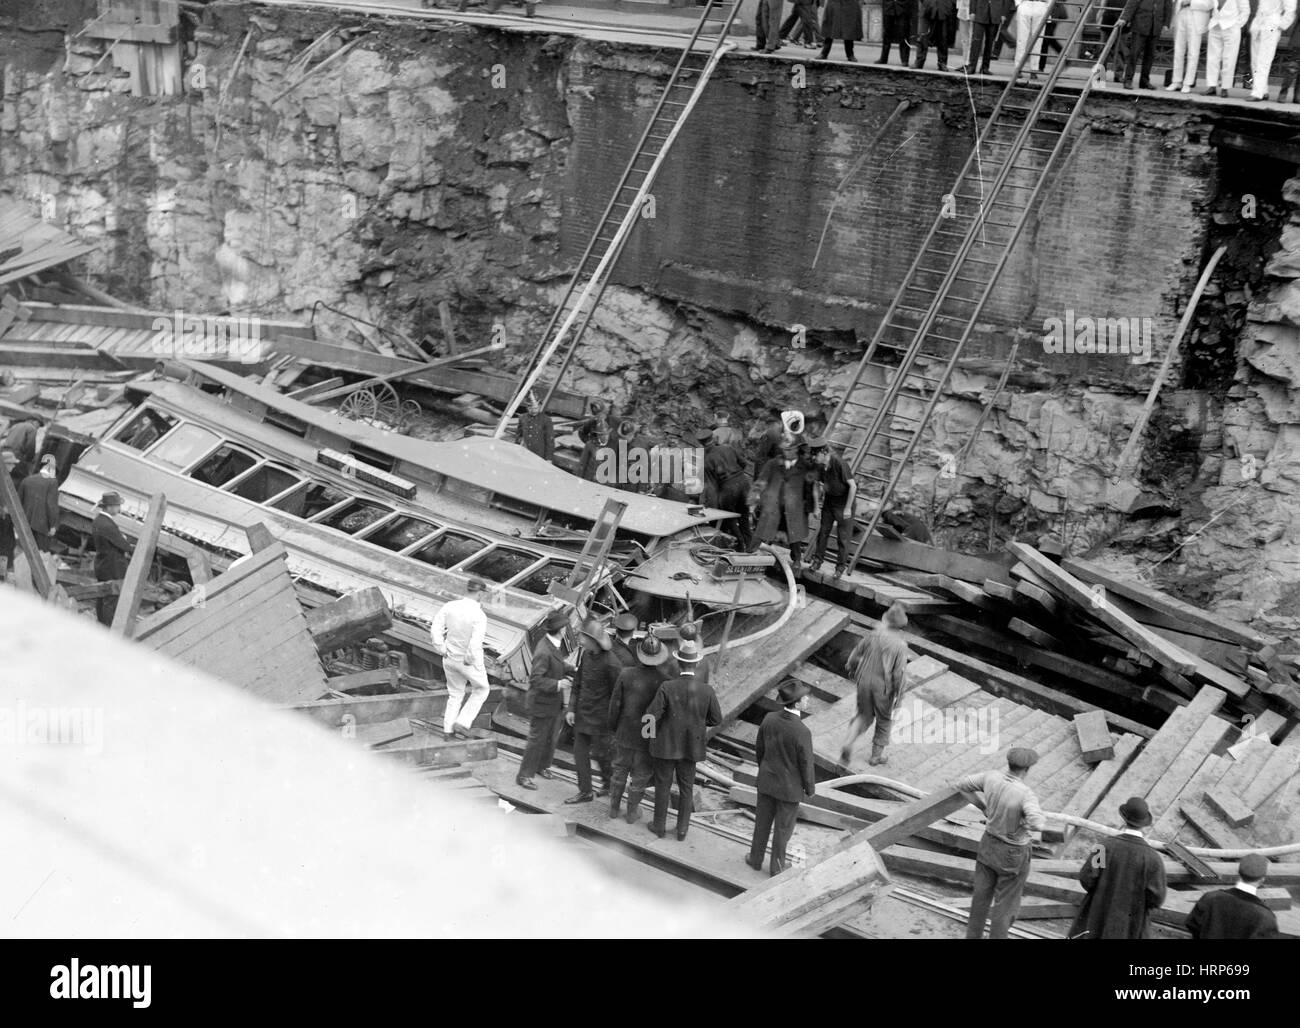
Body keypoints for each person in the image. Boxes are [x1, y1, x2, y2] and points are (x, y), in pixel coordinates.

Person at [954, 748, 1047, 940]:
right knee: (1005, 905)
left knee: (980, 898)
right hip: (1013, 851)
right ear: (1027, 769)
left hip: (988, 843)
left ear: (1009, 763)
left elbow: (962, 785)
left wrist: (983, 808)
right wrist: (1022, 824)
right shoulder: (1025, 794)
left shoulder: (991, 777)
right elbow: (1038, 823)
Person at [644, 635, 721, 841]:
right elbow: (716, 719)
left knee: (663, 786)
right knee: (687, 788)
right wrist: (696, 725)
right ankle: (682, 830)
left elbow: (650, 716)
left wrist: (650, 736)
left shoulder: (667, 687)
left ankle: (659, 826)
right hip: (691, 749)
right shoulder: (707, 690)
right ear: (696, 663)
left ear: (678, 663)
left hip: (665, 747)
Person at [1069, 797, 1167, 939]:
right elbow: (1157, 898)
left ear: (1124, 819)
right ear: (1144, 824)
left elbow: (1087, 879)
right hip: (1131, 926)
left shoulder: (1103, 847)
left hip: (1096, 919)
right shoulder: (1153, 859)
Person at [746, 679, 816, 876]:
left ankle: (755, 859)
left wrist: (765, 771)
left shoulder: (768, 719)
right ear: (797, 703)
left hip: (767, 783)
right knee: (783, 830)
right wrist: (809, 789)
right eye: (805, 697)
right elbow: (806, 764)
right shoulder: (802, 731)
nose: (808, 699)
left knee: (761, 824)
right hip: (789, 790)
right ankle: (776, 869)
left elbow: (759, 749)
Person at [608, 633, 674, 823]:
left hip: (624, 732)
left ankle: (613, 808)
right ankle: (631, 813)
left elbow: (615, 705)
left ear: (640, 653)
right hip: (647, 736)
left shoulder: (626, 673)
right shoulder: (665, 681)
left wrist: (613, 727)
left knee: (619, 770)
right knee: (640, 775)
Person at [841, 603, 910, 765]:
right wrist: (899, 696)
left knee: (862, 715)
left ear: (886, 620)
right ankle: (875, 756)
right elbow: (898, 673)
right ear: (901, 627)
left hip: (864, 681)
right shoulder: (900, 646)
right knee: (884, 720)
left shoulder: (874, 635)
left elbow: (856, 652)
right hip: (883, 688)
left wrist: (850, 667)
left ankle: (848, 743)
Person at [516, 608, 576, 790]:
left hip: (552, 703)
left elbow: (556, 663)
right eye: (566, 628)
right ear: (562, 630)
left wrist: (570, 668)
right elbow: (536, 680)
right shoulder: (544, 650)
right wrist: (559, 684)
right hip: (541, 704)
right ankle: (524, 775)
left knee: (551, 738)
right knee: (536, 740)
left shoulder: (552, 645)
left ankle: (543, 766)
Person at [564, 618, 621, 804]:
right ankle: (585, 791)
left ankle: (609, 784)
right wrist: (571, 708)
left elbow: (618, 696)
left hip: (602, 720)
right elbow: (578, 683)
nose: (579, 638)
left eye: (583, 636)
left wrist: (613, 723)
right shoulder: (586, 655)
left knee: (601, 755)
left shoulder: (612, 663)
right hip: (582, 715)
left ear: (593, 639)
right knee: (579, 753)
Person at [429, 578, 490, 740]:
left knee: (455, 694)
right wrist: (469, 659)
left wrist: (440, 647)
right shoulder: (479, 615)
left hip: (449, 657)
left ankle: (447, 731)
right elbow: (475, 643)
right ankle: (462, 722)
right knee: (482, 689)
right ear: (480, 593)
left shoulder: (450, 606)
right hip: (467, 661)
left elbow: (436, 628)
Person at [1186, 853, 1279, 939]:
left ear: (1238, 873)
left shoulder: (1210, 899)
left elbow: (1191, 925)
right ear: (1262, 880)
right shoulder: (1266, 918)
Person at [752, 444, 816, 567]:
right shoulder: (775, 464)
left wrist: (807, 507)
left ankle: (796, 559)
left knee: (794, 533)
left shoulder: (806, 468)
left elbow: (809, 489)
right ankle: (756, 551)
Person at [806, 437, 856, 577]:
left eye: (816, 454)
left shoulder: (839, 463)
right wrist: (816, 507)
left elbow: (853, 486)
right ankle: (817, 561)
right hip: (829, 501)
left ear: (824, 452)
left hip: (844, 502)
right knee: (823, 532)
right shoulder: (819, 466)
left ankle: (840, 568)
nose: (814, 457)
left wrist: (848, 508)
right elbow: (816, 485)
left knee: (843, 537)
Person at [698, 427, 752, 550]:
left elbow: (711, 486)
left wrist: (710, 505)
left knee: (728, 517)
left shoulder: (706, 460)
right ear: (713, 438)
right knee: (744, 515)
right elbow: (743, 463)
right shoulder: (728, 448)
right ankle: (750, 546)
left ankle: (739, 545)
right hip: (743, 482)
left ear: (701, 443)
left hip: (728, 488)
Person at [92, 491, 131, 627]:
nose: (119, 508)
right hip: (112, 566)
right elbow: (124, 545)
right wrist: (128, 544)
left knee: (102, 595)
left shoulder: (99, 520)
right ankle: (108, 628)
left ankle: (101, 624)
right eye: (117, 506)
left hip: (103, 564)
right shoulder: (107, 524)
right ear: (109, 507)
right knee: (111, 597)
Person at [1248, 0, 1297, 100]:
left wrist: (1280, 24)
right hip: (1259, 22)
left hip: (1271, 24)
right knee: (1255, 60)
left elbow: (1290, 10)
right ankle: (1263, 90)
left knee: (1264, 60)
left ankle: (1257, 93)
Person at [1120, 0, 1173, 88]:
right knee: (1134, 54)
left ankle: (1144, 81)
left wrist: (1166, 23)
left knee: (1150, 56)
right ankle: (1128, 80)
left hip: (1156, 25)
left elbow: (1168, 6)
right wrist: (1124, 18)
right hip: (1140, 24)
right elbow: (1132, 3)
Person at [1206, 0, 1253, 96]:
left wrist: (1237, 25)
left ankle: (1225, 87)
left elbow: (1245, 11)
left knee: (1229, 58)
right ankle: (1212, 86)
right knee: (1212, 58)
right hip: (1215, 26)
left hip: (1231, 28)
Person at [1168, 0, 1214, 91]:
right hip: (1181, 14)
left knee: (1193, 52)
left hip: (1196, 17)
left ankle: (1187, 83)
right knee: (1178, 50)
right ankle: (1176, 81)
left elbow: (1209, 4)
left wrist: (1190, 2)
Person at [967, 0, 1012, 73]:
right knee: (976, 41)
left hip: (996, 13)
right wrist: (972, 11)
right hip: (980, 11)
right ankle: (972, 66)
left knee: (990, 42)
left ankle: (985, 68)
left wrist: (1004, 14)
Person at [915, 0, 958, 68]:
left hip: (944, 8)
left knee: (943, 37)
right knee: (922, 35)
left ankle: (942, 63)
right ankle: (919, 61)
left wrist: (949, 4)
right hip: (927, 6)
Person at [515, 391, 555, 463]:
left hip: (538, 455)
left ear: (539, 406)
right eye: (531, 408)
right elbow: (518, 435)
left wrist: (549, 458)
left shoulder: (546, 420)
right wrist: (516, 449)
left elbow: (550, 440)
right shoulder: (522, 417)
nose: (534, 410)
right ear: (527, 407)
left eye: (536, 408)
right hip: (524, 452)